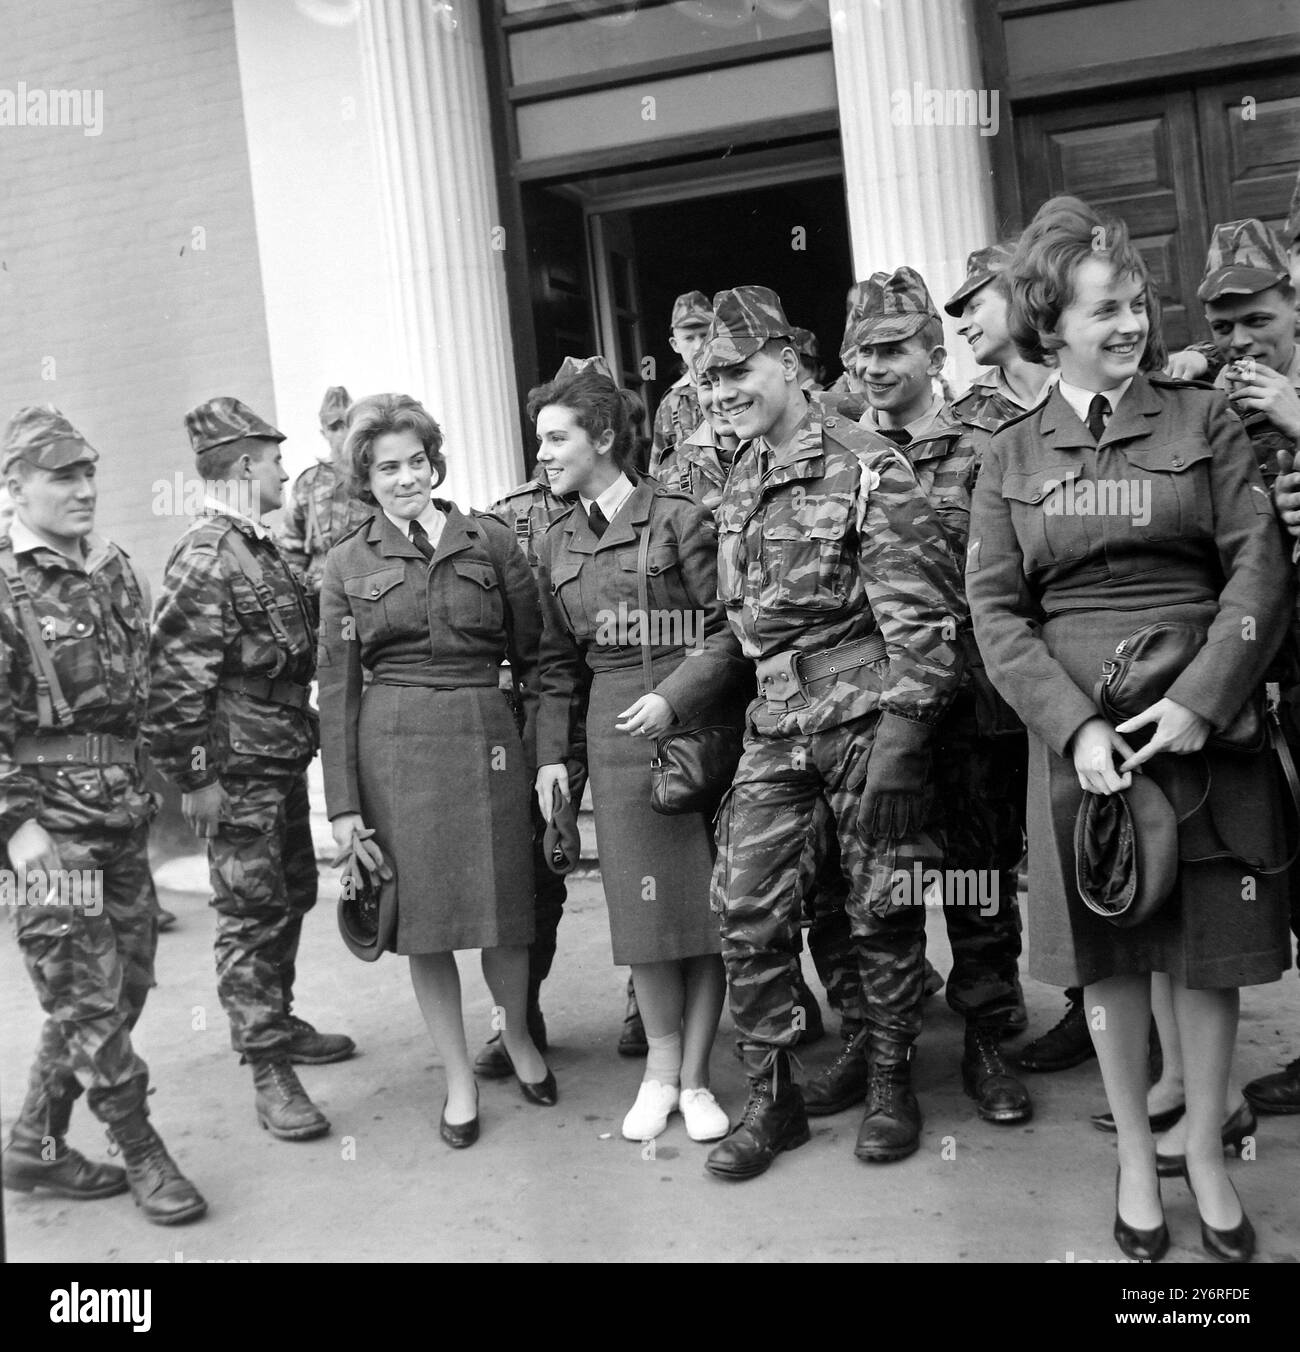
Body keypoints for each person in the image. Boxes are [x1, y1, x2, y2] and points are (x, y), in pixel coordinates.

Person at [967, 195, 1294, 1263]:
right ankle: (1129, 1165)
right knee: (1106, 954)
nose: (1130, 323)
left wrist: (1203, 695)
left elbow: (1258, 563)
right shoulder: (1008, 455)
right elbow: (995, 610)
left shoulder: (1203, 422)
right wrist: (1071, 730)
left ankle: (1201, 1145)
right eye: (1105, 308)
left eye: (1137, 303)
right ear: (1048, 321)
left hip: (1203, 723)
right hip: (1083, 742)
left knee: (1207, 952)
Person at [701, 285, 967, 1179]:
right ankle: (771, 1100)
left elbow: (925, 622)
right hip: (777, 724)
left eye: (737, 370)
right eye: (708, 377)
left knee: (881, 909)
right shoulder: (740, 475)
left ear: (787, 360)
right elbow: (743, 618)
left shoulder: (867, 464)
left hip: (861, 721)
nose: (722, 389)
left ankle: (893, 1082)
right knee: (745, 907)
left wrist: (903, 741)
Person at [798, 265, 1031, 1127]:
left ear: (936, 352)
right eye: (861, 353)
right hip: (868, 711)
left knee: (976, 876)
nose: (874, 368)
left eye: (893, 349)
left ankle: (987, 1036)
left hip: (972, 704)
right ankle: (880, 1041)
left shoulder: (990, 440)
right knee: (877, 884)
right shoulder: (832, 454)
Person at [318, 393, 551, 1148]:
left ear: (434, 462)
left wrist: (548, 754)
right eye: (388, 468)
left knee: (505, 914)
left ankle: (516, 1035)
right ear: (367, 476)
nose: (406, 479)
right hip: (396, 751)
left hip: (487, 738)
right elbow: (336, 691)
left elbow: (540, 657)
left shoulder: (487, 540)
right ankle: (456, 1079)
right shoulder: (347, 564)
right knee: (425, 928)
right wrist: (344, 807)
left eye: (417, 462)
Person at [532, 363, 748, 1145]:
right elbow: (555, 664)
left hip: (687, 731)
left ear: (603, 437)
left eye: (558, 439)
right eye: (541, 440)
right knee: (642, 913)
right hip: (613, 731)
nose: (546, 454)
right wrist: (554, 760)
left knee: (702, 912)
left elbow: (728, 631)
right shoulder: (554, 539)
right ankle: (659, 1070)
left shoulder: (680, 518)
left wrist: (676, 698)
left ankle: (696, 1080)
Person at [0, 406, 205, 1224]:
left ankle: (33, 1144)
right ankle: (142, 1147)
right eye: (63, 476)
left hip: (121, 816)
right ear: (14, 486)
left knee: (122, 987)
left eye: (89, 472)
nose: (85, 488)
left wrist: (182, 783)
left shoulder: (115, 568)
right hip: (49, 832)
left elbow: (144, 691)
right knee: (86, 999)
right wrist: (16, 826)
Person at [147, 397, 355, 1145]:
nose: (281, 469)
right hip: (235, 766)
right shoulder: (207, 552)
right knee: (247, 910)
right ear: (243, 465)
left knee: (290, 890)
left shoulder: (254, 543)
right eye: (271, 458)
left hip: (273, 751)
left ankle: (282, 1018)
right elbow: (174, 680)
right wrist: (196, 778)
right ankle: (267, 1067)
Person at [472, 363, 609, 1075]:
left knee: (652, 854)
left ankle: (652, 1005)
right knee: (539, 866)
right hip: (542, 715)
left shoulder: (637, 504)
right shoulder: (508, 518)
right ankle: (517, 1016)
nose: (551, 449)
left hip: (625, 703)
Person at [1193, 219, 1300, 1123]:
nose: (1239, 343)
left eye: (1255, 320)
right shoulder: (1214, 406)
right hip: (1270, 680)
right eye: (1222, 329)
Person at [276, 385, 371, 627]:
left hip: (370, 594)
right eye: (334, 427)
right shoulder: (308, 484)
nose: (341, 433)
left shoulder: (374, 477)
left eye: (346, 424)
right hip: (322, 602)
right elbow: (292, 552)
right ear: (324, 432)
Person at [648, 291, 713, 479]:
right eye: (689, 338)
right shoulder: (670, 403)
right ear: (675, 344)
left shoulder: (738, 389)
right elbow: (657, 470)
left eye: (704, 335)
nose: (699, 345)